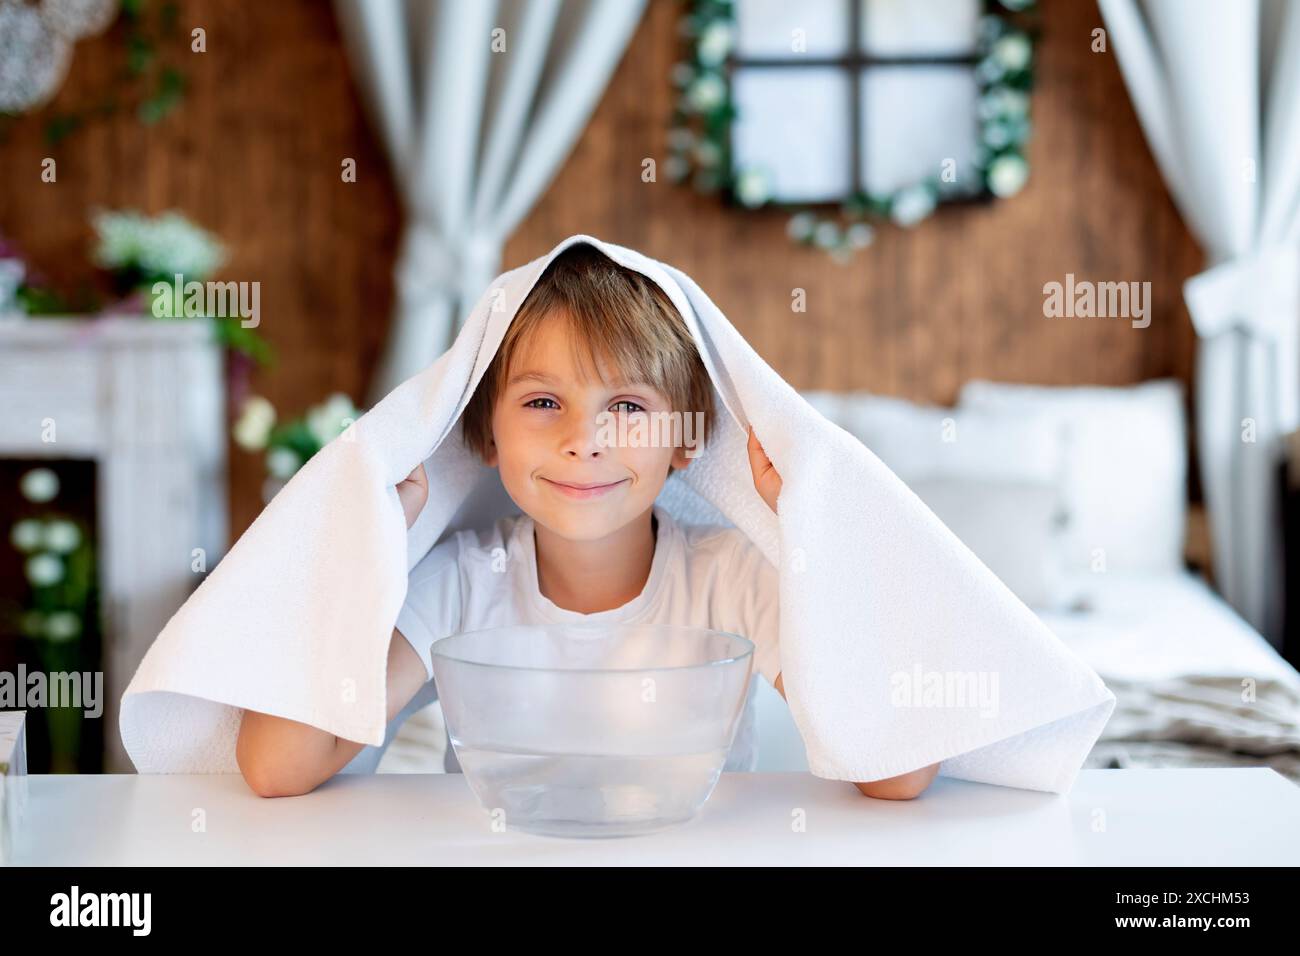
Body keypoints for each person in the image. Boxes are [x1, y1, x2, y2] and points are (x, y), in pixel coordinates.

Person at [236, 242, 938, 800]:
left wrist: (808, 530)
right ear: (486, 434)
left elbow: (897, 773)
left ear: (685, 440)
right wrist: (373, 542)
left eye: (629, 408)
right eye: (543, 403)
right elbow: (276, 766)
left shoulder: (729, 578)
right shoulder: (462, 584)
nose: (586, 439)